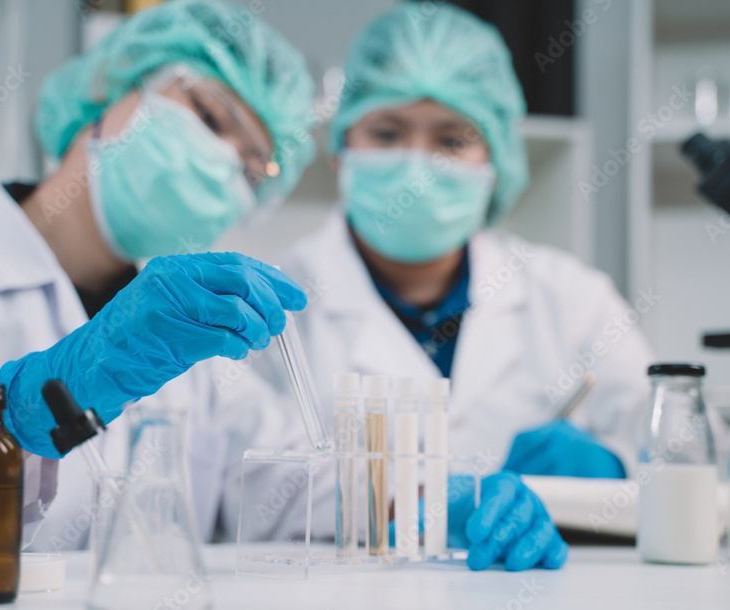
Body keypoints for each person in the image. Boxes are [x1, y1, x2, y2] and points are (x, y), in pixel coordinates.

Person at [189, 4, 654, 571]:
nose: (418, 163)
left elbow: (687, 452)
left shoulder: (571, 296)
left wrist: (614, 468)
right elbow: (244, 492)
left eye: (453, 140)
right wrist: (420, 503)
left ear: (497, 162)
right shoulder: (267, 305)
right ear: (340, 153)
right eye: (386, 133)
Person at [0, 1, 316, 548]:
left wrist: (428, 497)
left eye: (251, 170)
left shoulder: (188, 338)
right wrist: (15, 417)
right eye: (212, 117)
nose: (223, 163)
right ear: (110, 85)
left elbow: (296, 484)